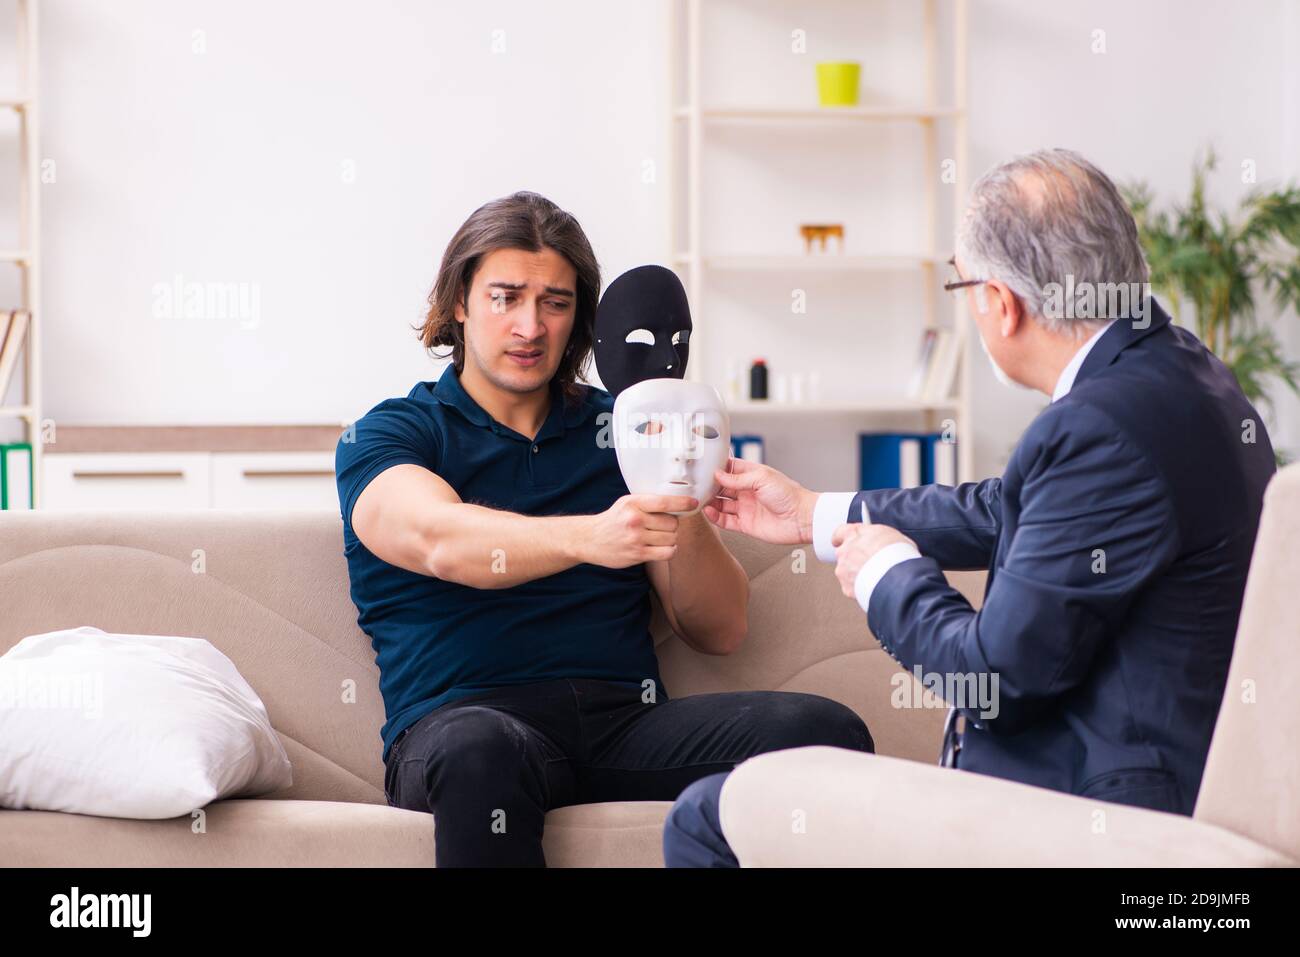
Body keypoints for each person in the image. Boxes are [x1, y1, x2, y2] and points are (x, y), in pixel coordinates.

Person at [663, 148, 1276, 867]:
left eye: (962, 286)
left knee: (709, 817)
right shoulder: (1185, 375)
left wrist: (887, 575)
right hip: (1161, 788)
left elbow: (995, 683)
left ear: (1000, 302)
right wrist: (815, 513)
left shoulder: (1099, 424)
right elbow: (1011, 507)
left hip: (1094, 818)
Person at [334, 190, 873, 867]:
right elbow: (439, 539)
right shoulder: (394, 432)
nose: (531, 325)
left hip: (622, 721)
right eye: (506, 297)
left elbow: (721, 630)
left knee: (825, 730)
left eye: (555, 303)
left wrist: (671, 489)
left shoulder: (623, 428)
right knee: (483, 750)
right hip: (464, 722)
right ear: (461, 302)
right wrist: (591, 536)